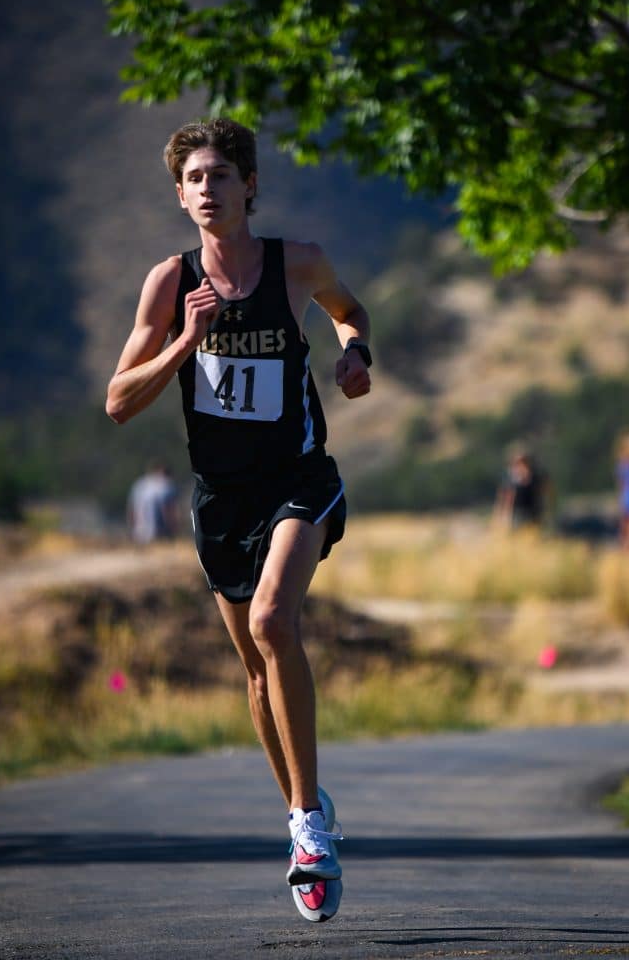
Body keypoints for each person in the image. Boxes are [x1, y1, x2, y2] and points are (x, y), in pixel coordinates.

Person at [105, 118, 372, 922]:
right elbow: (118, 401)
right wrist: (185, 339)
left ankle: (310, 833)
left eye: (221, 174)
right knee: (256, 673)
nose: (207, 189)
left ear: (249, 186)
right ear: (178, 196)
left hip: (299, 478)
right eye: (194, 178)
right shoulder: (169, 282)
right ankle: (301, 806)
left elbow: (348, 311)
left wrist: (354, 353)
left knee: (271, 622)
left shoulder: (297, 262)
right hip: (221, 499)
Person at [494, 446, 552, 530]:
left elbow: (545, 491)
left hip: (534, 511)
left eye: (523, 462)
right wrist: (502, 514)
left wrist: (546, 508)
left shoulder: (536, 476)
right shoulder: (511, 477)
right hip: (517, 512)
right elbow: (506, 496)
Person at [127, 461, 180, 544]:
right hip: (158, 532)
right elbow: (168, 510)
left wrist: (131, 529)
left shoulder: (139, 484)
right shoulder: (166, 485)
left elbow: (131, 510)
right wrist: (172, 530)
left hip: (139, 531)